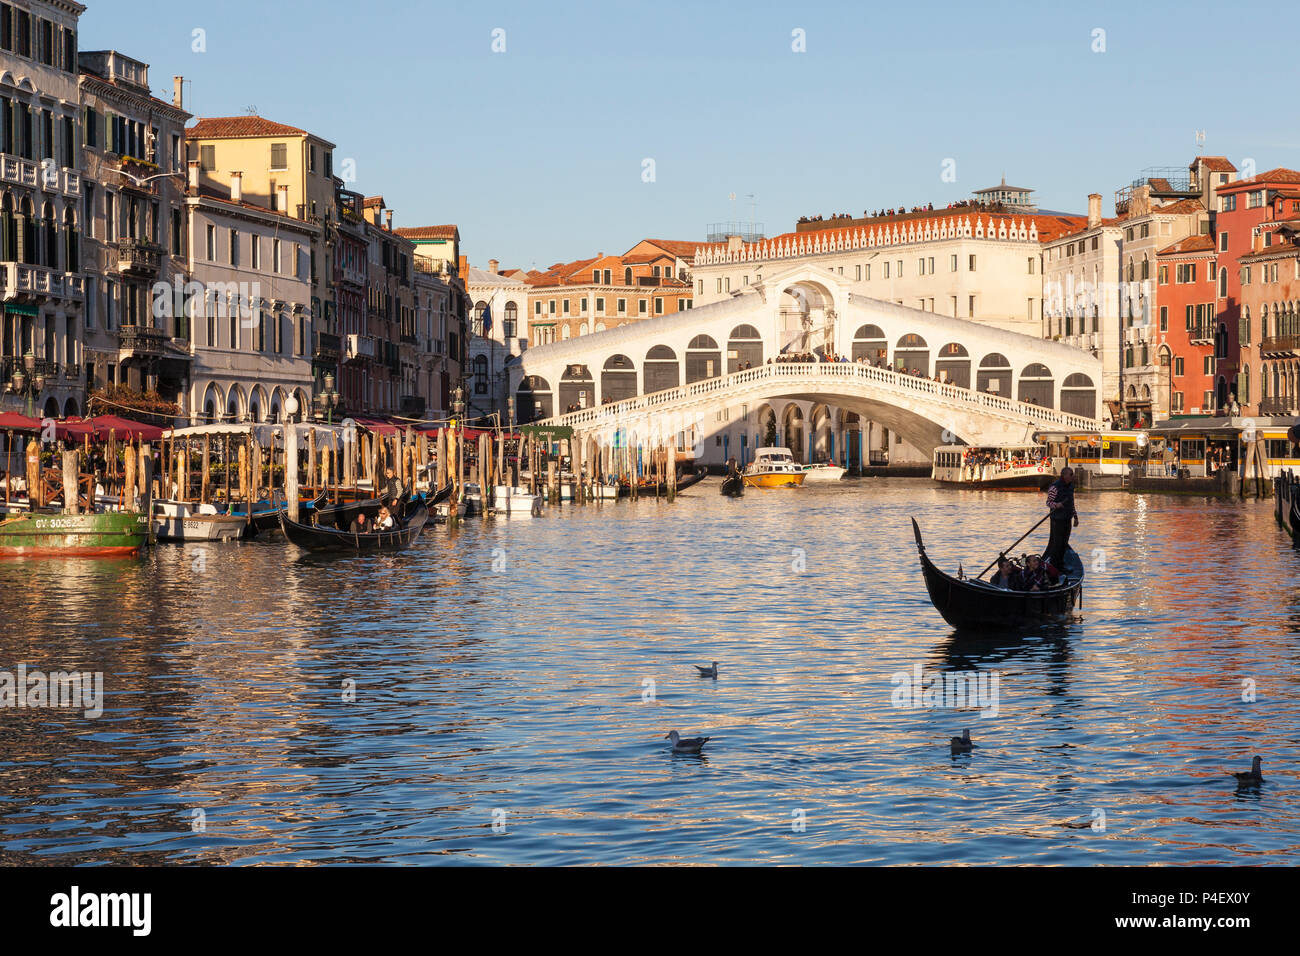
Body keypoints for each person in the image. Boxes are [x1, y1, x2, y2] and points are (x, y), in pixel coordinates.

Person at [1044, 467, 1078, 569]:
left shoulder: (1071, 486)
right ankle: (1054, 566)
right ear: (1065, 475)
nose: (1073, 476)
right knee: (1057, 544)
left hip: (1067, 518)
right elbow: (1048, 502)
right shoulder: (1055, 487)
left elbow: (1071, 503)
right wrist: (1056, 505)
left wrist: (1075, 517)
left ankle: (1060, 564)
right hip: (1057, 520)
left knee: (1064, 542)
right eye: (1071, 474)